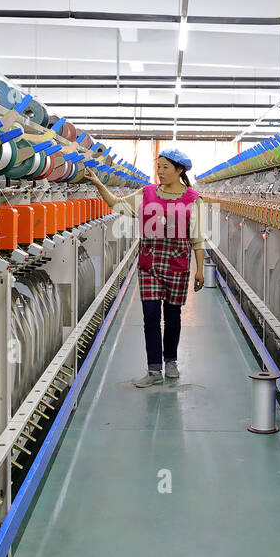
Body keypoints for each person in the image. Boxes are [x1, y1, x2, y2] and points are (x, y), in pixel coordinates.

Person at [85, 149, 205, 387]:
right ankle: (153, 370)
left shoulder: (193, 199)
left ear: (179, 170)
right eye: (158, 167)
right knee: (150, 315)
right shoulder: (147, 193)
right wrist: (99, 185)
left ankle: (170, 359)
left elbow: (198, 238)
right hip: (149, 262)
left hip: (177, 263)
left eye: (165, 167)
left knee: (172, 316)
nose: (160, 172)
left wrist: (199, 270)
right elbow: (118, 205)